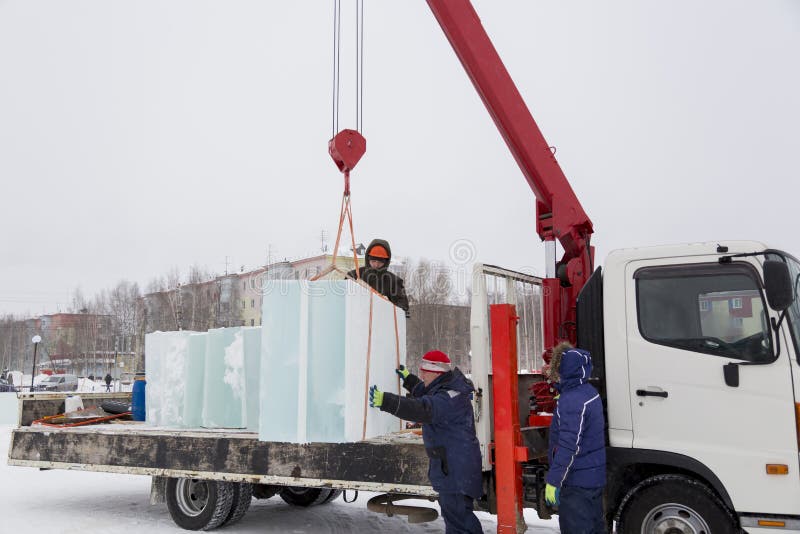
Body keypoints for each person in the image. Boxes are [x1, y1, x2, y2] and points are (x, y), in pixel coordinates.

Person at [369, 350, 483, 534]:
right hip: (455, 468)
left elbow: (423, 408)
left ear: (437, 372)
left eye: (424, 371)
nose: (421, 375)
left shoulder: (450, 397)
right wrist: (409, 380)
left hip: (455, 472)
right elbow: (426, 392)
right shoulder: (447, 387)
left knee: (460, 524)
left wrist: (386, 401)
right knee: (458, 520)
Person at [544, 342, 607, 534]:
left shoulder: (572, 400)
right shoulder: (588, 392)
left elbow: (568, 447)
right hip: (592, 478)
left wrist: (554, 481)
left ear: (565, 369)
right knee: (594, 528)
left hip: (576, 482)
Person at [346, 239, 410, 315]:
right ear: (368, 259)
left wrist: (387, 305)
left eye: (380, 262)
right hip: (356, 320)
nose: (376, 265)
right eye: (373, 261)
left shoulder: (394, 281)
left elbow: (403, 307)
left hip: (382, 322)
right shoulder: (354, 275)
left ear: (386, 262)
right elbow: (343, 298)